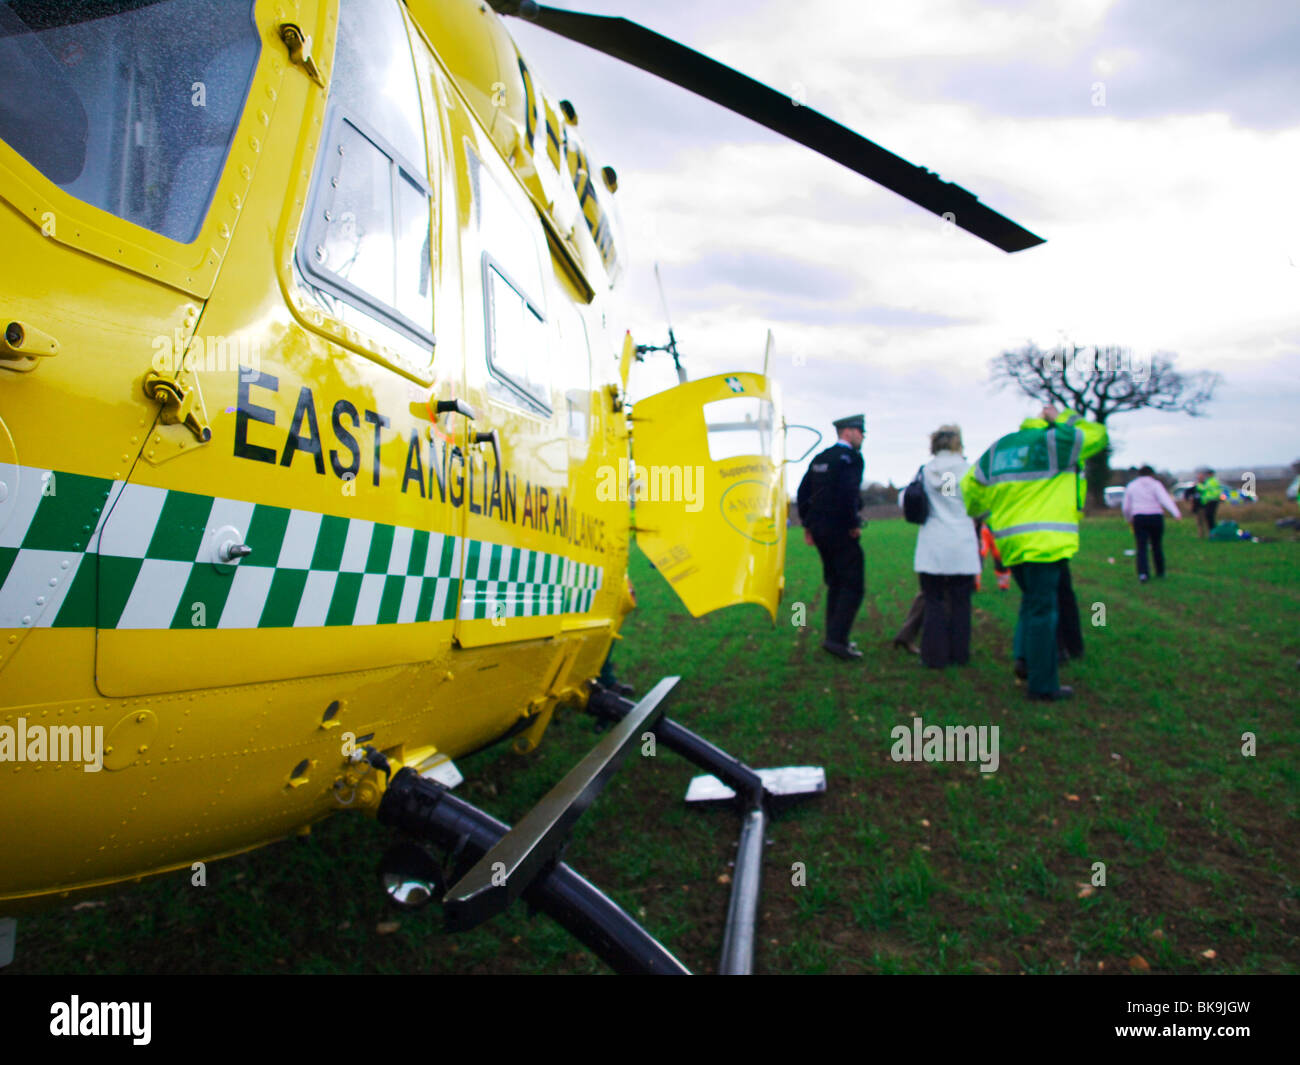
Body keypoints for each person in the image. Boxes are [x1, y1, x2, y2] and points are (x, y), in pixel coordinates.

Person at [962, 404, 1107, 701]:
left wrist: (985, 513)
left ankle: (1024, 658)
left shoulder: (1000, 448)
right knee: (1044, 611)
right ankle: (1043, 685)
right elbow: (1098, 435)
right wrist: (1064, 418)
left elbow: (970, 487)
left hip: (1011, 541)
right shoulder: (1056, 442)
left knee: (1032, 603)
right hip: (1045, 542)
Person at [796, 413, 866, 660]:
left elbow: (803, 492)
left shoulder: (821, 458)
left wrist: (807, 525)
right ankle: (837, 640)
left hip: (819, 531)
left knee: (835, 583)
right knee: (853, 585)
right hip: (840, 530)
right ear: (848, 432)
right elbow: (848, 493)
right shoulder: (851, 459)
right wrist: (853, 523)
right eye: (860, 431)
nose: (863, 436)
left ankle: (834, 638)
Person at [909, 425, 979, 668]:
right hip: (961, 542)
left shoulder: (925, 471)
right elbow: (979, 505)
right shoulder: (968, 470)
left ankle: (933, 655)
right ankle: (959, 653)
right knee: (961, 602)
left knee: (934, 601)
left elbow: (906, 499)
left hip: (932, 543)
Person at [1122, 465, 1181, 581]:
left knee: (1141, 547)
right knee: (1157, 546)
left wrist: (1128, 518)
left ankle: (1143, 574)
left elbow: (1126, 506)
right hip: (1155, 516)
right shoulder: (1156, 485)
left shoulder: (1132, 486)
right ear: (1152, 474)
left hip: (1139, 517)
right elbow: (1165, 499)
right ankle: (1160, 572)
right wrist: (1176, 513)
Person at [1196, 468, 1223, 536]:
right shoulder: (1215, 481)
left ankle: (1212, 532)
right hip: (1213, 500)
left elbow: (1203, 489)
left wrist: (1198, 484)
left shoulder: (1210, 481)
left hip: (1210, 501)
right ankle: (1212, 532)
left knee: (1209, 517)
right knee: (1211, 517)